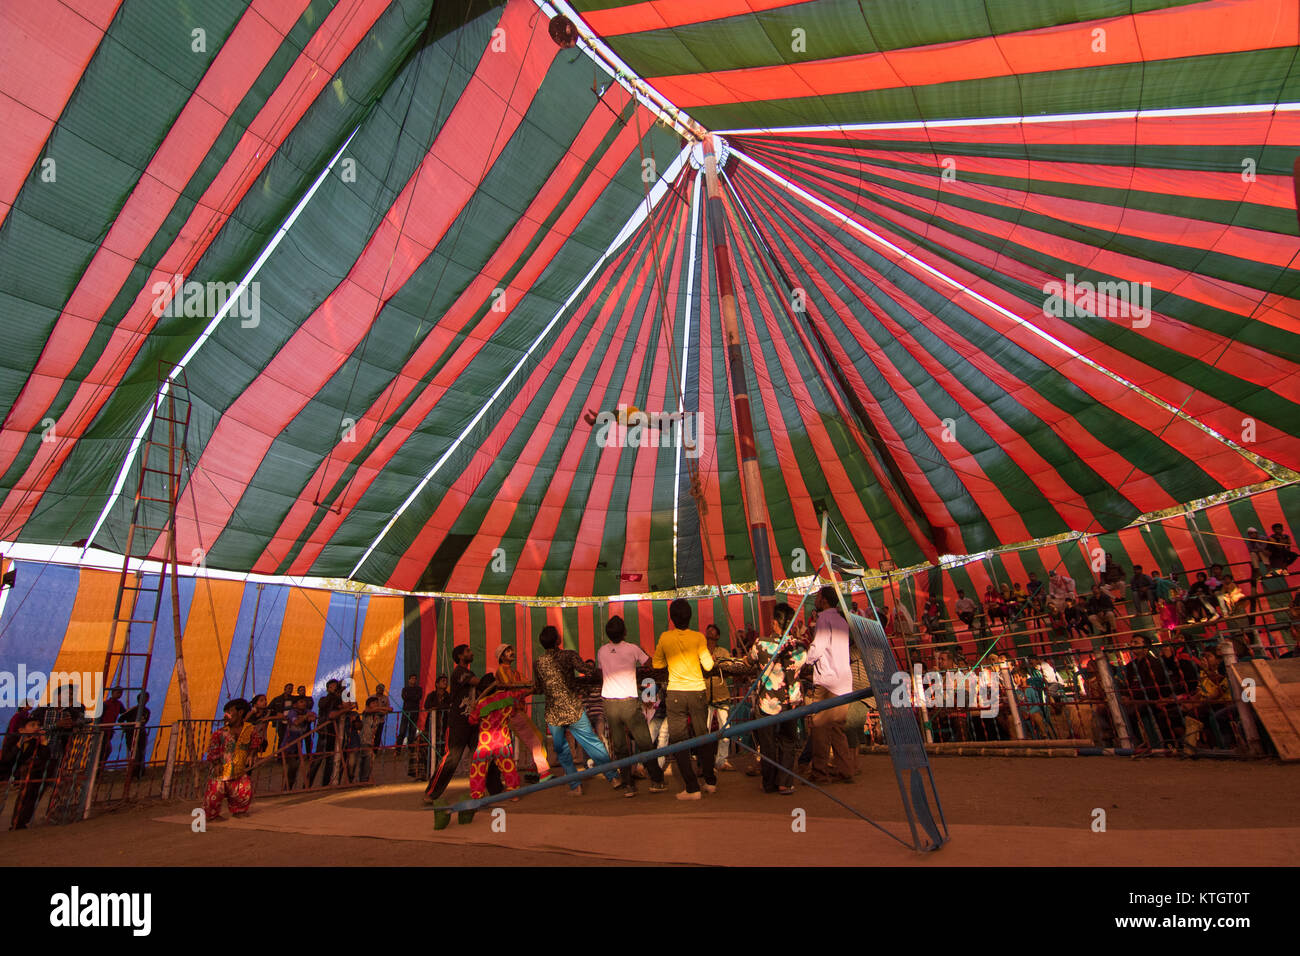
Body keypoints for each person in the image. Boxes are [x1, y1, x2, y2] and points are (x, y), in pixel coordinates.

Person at [533, 626, 619, 796]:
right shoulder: (569, 655)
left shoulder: (538, 662)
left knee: (561, 750)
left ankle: (575, 786)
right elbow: (587, 670)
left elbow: (539, 688)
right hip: (573, 709)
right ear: (557, 640)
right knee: (593, 743)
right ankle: (613, 777)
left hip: (553, 713)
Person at [652, 599, 718, 801]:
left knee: (679, 740)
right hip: (698, 691)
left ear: (671, 618)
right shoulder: (698, 637)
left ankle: (692, 788)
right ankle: (710, 781)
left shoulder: (665, 637)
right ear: (690, 617)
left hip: (676, 694)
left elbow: (656, 664)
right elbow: (708, 666)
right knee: (703, 735)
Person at [425, 645, 506, 803]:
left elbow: (483, 689)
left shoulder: (469, 673)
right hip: (458, 723)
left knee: (483, 754)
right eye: (468, 651)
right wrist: (495, 680)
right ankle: (431, 793)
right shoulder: (459, 672)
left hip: (473, 722)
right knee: (452, 758)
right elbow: (480, 683)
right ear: (461, 656)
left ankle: (496, 789)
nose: (472, 653)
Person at [597, 615, 666, 796]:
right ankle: (656, 780)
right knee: (644, 741)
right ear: (625, 632)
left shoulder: (602, 651)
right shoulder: (632, 648)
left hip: (609, 703)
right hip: (628, 702)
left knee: (620, 746)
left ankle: (628, 785)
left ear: (608, 634)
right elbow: (650, 664)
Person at [749, 603, 809, 794]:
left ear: (774, 622)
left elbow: (750, 660)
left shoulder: (761, 644)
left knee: (767, 744)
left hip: (767, 702)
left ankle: (769, 783)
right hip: (791, 701)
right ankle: (784, 782)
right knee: (788, 742)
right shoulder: (800, 648)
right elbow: (803, 667)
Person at [806, 586, 855, 784]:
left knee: (820, 728)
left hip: (827, 681)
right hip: (844, 681)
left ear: (824, 600)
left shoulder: (824, 619)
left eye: (818, 597)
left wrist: (805, 660)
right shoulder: (842, 620)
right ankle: (846, 769)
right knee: (837, 729)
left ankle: (819, 772)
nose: (816, 600)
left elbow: (818, 648)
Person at [493, 644, 553, 781]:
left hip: (517, 710)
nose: (512, 652)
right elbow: (513, 690)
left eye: (511, 650)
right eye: (507, 651)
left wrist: (534, 687)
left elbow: (527, 684)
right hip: (512, 712)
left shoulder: (515, 672)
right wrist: (530, 690)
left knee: (536, 738)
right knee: (535, 740)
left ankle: (532, 772)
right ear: (501, 657)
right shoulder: (501, 671)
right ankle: (544, 773)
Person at [203, 699, 264, 820]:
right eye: (225, 712)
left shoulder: (250, 730)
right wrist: (216, 763)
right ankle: (212, 815)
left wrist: (252, 754)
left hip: (239, 770)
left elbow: (255, 744)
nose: (226, 715)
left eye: (230, 712)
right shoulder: (220, 733)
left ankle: (239, 810)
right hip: (221, 770)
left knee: (243, 791)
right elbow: (213, 749)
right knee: (215, 793)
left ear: (240, 712)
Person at [465, 675, 522, 801]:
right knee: (509, 768)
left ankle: (477, 795)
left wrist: (473, 709)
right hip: (503, 739)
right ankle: (514, 793)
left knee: (478, 769)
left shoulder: (481, 703)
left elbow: (472, 720)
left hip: (485, 743)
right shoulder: (507, 698)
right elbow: (513, 712)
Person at [4, 717, 52, 830]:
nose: (36, 728)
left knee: (30, 792)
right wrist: (19, 745)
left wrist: (44, 743)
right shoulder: (12, 739)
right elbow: (7, 759)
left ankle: (20, 822)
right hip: (6, 772)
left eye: (38, 725)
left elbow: (45, 757)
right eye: (32, 725)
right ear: (21, 730)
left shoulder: (35, 741)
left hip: (22, 774)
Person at [703, 624, 736, 771]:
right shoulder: (700, 651)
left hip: (721, 693)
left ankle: (721, 760)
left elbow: (729, 666)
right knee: (704, 731)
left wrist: (717, 662)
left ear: (717, 636)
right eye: (708, 630)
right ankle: (706, 762)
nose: (710, 632)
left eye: (713, 631)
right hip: (704, 695)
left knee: (725, 729)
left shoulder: (723, 651)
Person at [309, 680, 354, 786]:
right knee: (318, 759)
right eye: (333, 686)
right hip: (325, 731)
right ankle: (308, 783)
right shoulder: (324, 699)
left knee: (330, 759)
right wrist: (334, 695)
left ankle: (325, 783)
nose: (335, 688)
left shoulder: (338, 699)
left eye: (336, 686)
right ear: (328, 688)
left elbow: (345, 705)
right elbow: (327, 708)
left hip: (334, 731)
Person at [280, 696, 315, 789]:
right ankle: (286, 788)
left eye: (304, 702)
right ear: (295, 705)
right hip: (288, 745)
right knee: (293, 766)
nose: (304, 703)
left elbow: (313, 716)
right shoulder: (292, 712)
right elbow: (296, 722)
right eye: (301, 702)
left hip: (298, 746)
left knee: (295, 769)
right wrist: (305, 717)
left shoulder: (306, 711)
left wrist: (307, 717)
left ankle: (288, 787)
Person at [118, 692, 151, 779]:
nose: (145, 700)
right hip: (131, 734)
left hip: (141, 733)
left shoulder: (147, 711)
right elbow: (121, 719)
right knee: (134, 753)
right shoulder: (133, 710)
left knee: (141, 752)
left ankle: (140, 773)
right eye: (143, 698)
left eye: (146, 698)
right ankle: (134, 772)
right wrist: (126, 728)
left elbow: (145, 721)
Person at [96, 687, 126, 764]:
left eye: (121, 693)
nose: (119, 695)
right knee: (104, 749)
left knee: (106, 750)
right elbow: (99, 717)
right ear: (112, 693)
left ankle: (100, 767)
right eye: (118, 693)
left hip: (109, 731)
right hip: (102, 730)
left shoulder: (119, 704)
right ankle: (98, 767)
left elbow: (124, 713)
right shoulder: (106, 704)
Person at [396, 675, 423, 751]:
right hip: (406, 711)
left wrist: (410, 697)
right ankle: (398, 748)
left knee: (412, 730)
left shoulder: (419, 689)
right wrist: (412, 697)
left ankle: (411, 747)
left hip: (414, 711)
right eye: (412, 678)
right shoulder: (405, 689)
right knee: (402, 730)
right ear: (409, 680)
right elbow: (405, 697)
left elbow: (418, 697)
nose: (413, 680)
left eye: (415, 678)